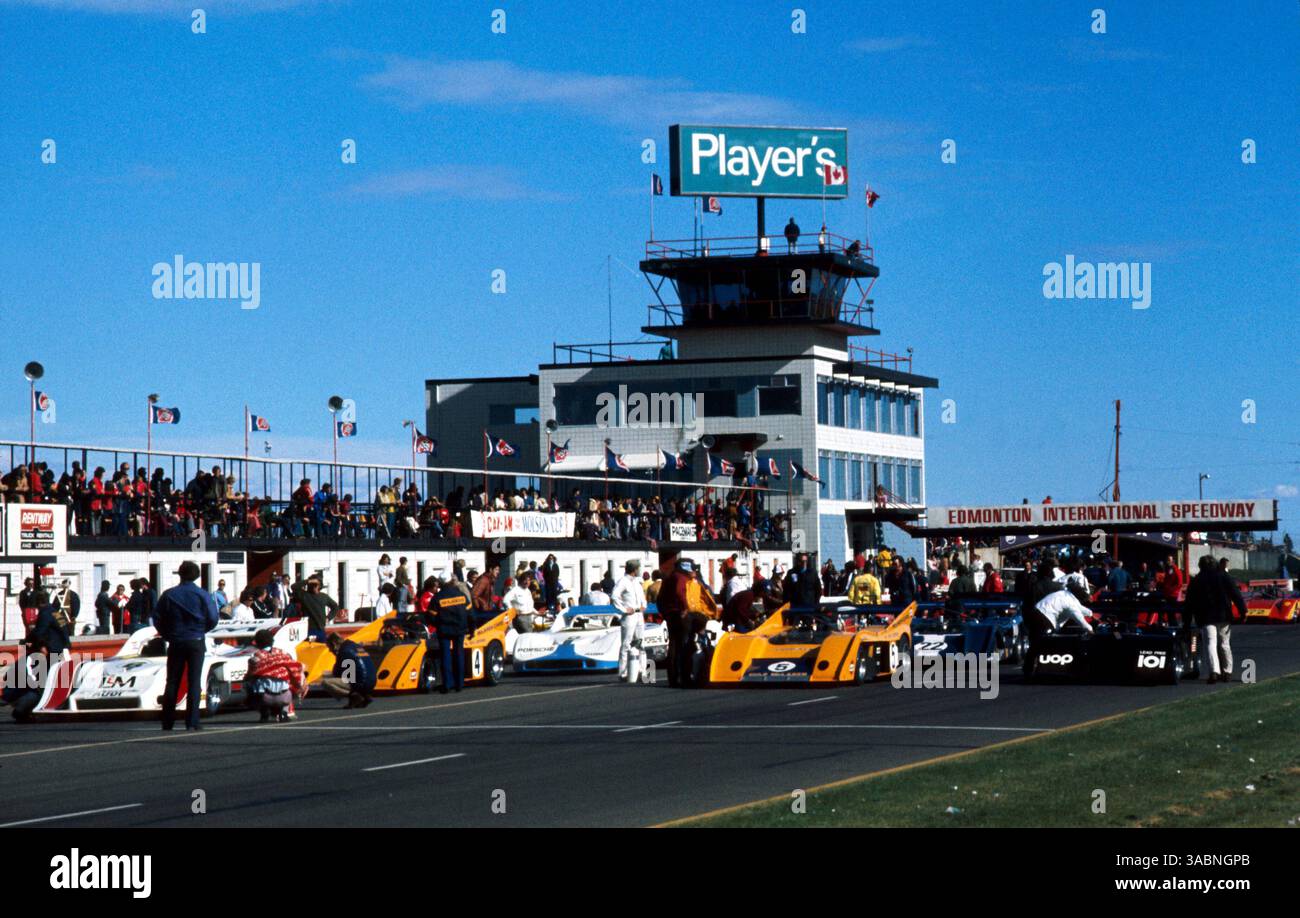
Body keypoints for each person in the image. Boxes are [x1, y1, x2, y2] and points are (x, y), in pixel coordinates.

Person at [155, 561, 220, 731]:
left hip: (176, 640)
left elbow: (157, 617)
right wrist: (201, 630)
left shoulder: (169, 594)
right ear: (197, 575)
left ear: (180, 574)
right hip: (196, 639)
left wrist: (167, 634)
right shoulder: (202, 594)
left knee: (172, 681)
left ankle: (167, 720)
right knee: (194, 681)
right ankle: (192, 721)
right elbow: (213, 618)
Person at [1184, 556, 1247, 684]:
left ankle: (1214, 671)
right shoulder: (1223, 576)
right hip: (1224, 615)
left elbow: (1189, 603)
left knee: (1210, 643)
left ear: (1200, 566)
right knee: (1224, 643)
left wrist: (1187, 621)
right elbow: (1235, 594)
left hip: (1206, 616)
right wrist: (1243, 611)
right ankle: (1227, 671)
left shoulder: (1196, 580)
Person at [245, 628, 305, 722]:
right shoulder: (283, 654)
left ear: (256, 642)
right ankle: (284, 711)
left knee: (249, 685)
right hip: (285, 696)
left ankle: (264, 712)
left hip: (265, 697)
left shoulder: (256, 657)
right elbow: (296, 669)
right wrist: (299, 687)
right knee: (290, 681)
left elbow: (250, 675)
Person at [611, 560, 647, 681]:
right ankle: (623, 672)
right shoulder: (623, 581)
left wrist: (644, 605)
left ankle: (642, 670)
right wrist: (624, 609)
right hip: (629, 616)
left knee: (640, 643)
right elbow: (614, 596)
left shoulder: (637, 582)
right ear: (634, 569)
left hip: (639, 614)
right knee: (626, 644)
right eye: (638, 568)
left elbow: (642, 596)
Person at [433, 577, 470, 694]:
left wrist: (437, 624)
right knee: (459, 654)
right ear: (451, 582)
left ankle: (447, 684)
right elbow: (470, 613)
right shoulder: (461, 595)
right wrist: (472, 627)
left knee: (446, 656)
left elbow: (431, 615)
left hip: (444, 630)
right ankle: (459, 684)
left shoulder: (437, 597)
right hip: (459, 629)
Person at [320, 632, 375, 707]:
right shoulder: (355, 646)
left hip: (361, 683)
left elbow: (337, 672)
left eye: (329, 647)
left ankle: (354, 696)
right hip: (371, 682)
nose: (330, 650)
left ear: (334, 644)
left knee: (325, 682)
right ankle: (364, 695)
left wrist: (337, 658)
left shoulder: (344, 652)